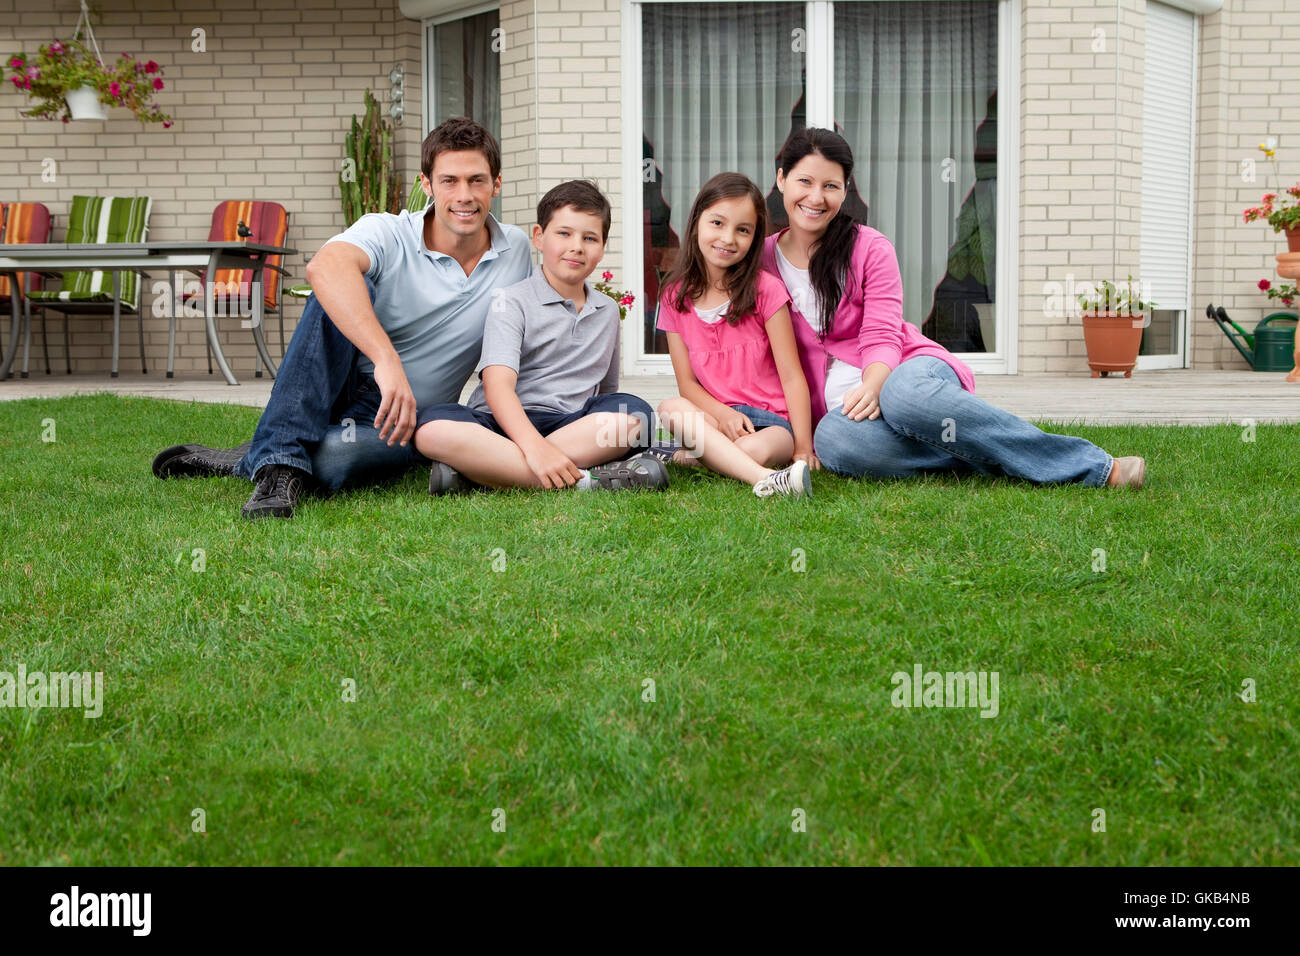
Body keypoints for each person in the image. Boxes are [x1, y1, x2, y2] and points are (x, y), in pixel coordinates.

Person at [151, 117, 533, 518]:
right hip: (338, 380)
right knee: (345, 282)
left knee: (334, 460)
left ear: (497, 184)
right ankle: (279, 464)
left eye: (476, 180)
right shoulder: (389, 231)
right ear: (427, 184)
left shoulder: (516, 250)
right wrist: (387, 361)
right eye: (449, 181)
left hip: (400, 418)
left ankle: (259, 452)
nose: (464, 195)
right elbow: (324, 267)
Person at [760, 127, 1147, 489]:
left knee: (902, 394)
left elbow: (882, 333)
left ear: (844, 193)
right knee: (836, 442)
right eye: (804, 182)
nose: (816, 197)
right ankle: (994, 457)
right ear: (782, 180)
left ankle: (1094, 466)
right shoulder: (760, 260)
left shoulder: (869, 247)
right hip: (846, 413)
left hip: (907, 370)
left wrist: (875, 383)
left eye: (831, 185)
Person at [414, 180, 667, 493]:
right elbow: (497, 386)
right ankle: (587, 481)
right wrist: (534, 447)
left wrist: (579, 437)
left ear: (602, 249)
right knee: (431, 427)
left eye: (589, 238)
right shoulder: (511, 301)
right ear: (539, 237)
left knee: (634, 415)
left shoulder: (608, 311)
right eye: (564, 233)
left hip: (570, 424)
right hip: (499, 425)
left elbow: (607, 390)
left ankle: (482, 473)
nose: (576, 246)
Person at [655, 172, 814, 498]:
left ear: (755, 239)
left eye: (743, 230)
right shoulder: (674, 297)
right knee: (671, 407)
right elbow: (687, 384)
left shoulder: (766, 290)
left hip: (771, 424)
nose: (728, 238)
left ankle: (690, 459)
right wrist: (724, 415)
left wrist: (802, 448)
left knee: (755, 449)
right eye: (717, 223)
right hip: (715, 419)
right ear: (697, 221)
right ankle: (766, 479)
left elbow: (792, 376)